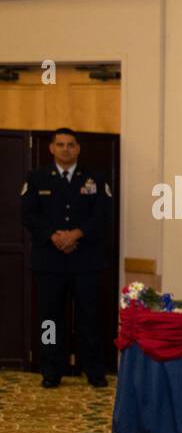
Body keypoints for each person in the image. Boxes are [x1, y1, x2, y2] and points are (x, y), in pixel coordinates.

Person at [20, 128, 113, 388]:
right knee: (50, 319)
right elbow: (28, 215)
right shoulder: (37, 178)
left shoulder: (94, 177)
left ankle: (94, 370)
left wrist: (76, 234)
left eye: (71, 145)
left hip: (86, 262)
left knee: (90, 317)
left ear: (78, 148)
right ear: (51, 148)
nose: (65, 149)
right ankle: (51, 369)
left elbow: (103, 215)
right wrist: (54, 236)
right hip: (50, 261)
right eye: (60, 144)